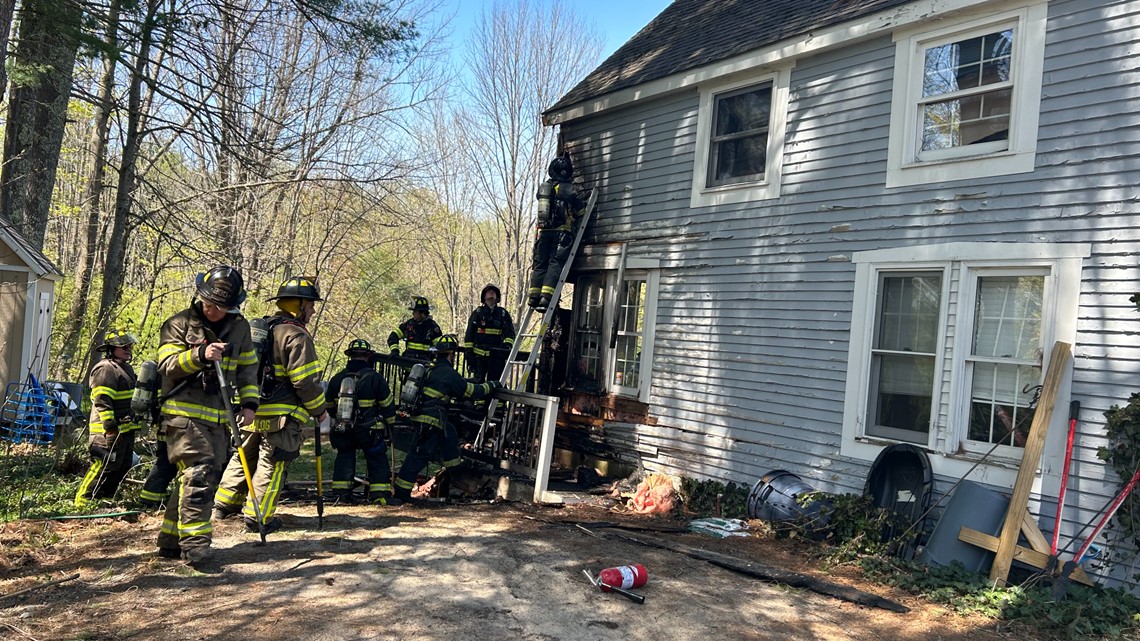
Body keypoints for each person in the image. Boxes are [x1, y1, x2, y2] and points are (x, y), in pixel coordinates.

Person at [153, 266, 259, 569]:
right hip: (182, 413)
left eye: (222, 306)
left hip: (218, 416)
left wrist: (250, 403)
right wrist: (199, 355)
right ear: (200, 297)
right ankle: (196, 548)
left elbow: (247, 369)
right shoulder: (178, 324)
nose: (214, 310)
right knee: (200, 473)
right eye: (210, 303)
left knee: (197, 476)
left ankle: (172, 540)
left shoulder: (240, 328)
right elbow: (167, 365)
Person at [214, 276, 328, 534]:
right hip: (283, 415)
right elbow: (305, 382)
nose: (311, 311)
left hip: (251, 410)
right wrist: (320, 410)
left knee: (243, 457)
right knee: (273, 463)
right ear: (297, 306)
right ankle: (259, 518)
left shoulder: (262, 329)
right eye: (309, 305)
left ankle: (223, 505)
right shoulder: (296, 335)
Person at [392, 334, 501, 503]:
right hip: (431, 421)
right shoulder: (448, 373)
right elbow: (474, 391)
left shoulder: (431, 369)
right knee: (418, 456)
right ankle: (401, 492)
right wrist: (494, 385)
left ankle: (456, 473)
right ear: (451, 355)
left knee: (449, 434)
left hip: (428, 418)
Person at [326, 339, 398, 504]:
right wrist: (390, 426)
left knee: (344, 456)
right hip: (370, 430)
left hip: (343, 429)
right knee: (376, 458)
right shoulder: (375, 378)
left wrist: (341, 418)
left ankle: (341, 494)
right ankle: (380, 496)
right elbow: (387, 405)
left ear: (350, 356)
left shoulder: (337, 379)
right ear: (367, 356)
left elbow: (328, 405)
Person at [75, 329, 141, 506]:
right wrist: (110, 428)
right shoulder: (105, 368)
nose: (128, 349)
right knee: (103, 464)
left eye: (129, 346)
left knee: (121, 466)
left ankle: (104, 500)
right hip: (106, 431)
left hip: (124, 430)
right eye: (123, 346)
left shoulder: (125, 368)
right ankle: (83, 501)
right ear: (111, 349)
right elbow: (102, 400)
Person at [528, 151, 588, 311]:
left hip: (544, 233)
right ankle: (545, 298)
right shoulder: (567, 189)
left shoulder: (545, 188)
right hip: (562, 234)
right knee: (555, 263)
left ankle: (533, 296)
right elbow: (580, 210)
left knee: (541, 264)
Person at [463, 283, 516, 383]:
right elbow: (469, 335)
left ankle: (495, 399)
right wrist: (469, 354)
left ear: (497, 297)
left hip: (496, 357)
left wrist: (507, 346)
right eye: (488, 291)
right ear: (484, 297)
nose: (491, 293)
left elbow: (510, 333)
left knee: (495, 383)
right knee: (479, 383)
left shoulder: (503, 313)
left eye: (494, 292)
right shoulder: (478, 313)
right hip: (479, 357)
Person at [387, 296, 442, 361]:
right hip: (408, 364)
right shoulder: (409, 324)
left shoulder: (433, 327)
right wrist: (394, 350)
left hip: (424, 367)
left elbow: (439, 348)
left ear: (422, 313)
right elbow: (393, 336)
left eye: (415, 311)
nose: (413, 313)